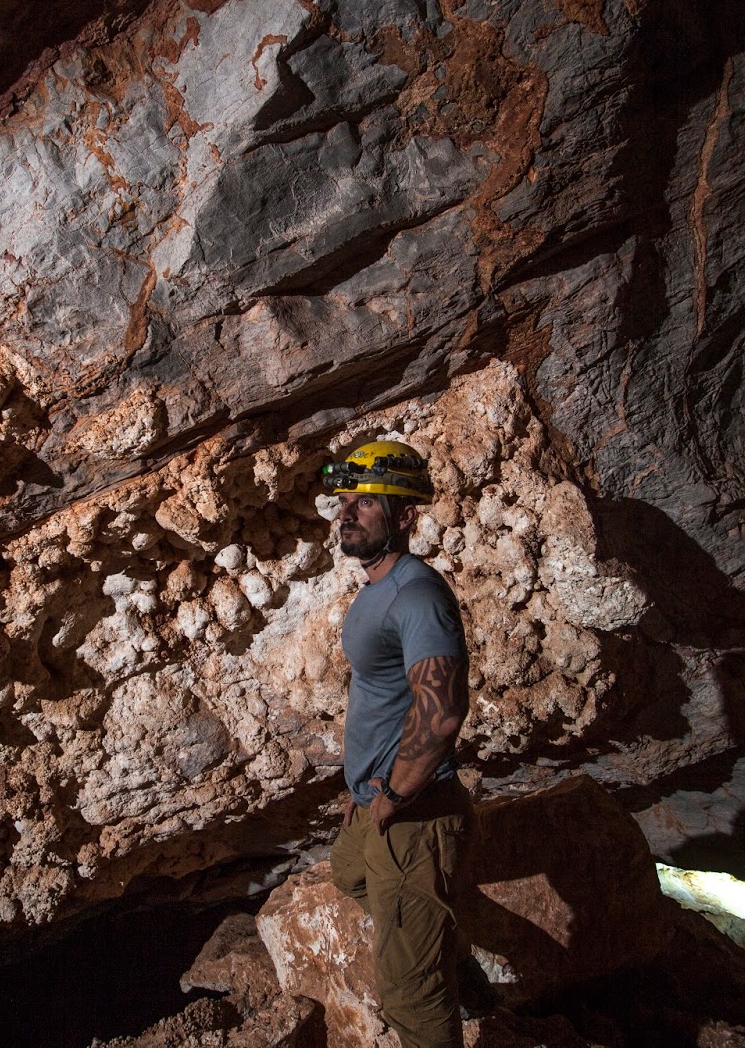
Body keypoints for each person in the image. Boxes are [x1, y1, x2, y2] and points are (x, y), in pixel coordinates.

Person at [322, 439, 475, 1048]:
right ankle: (436, 947)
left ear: (406, 516)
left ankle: (429, 971)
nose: (346, 514)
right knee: (347, 873)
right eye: (344, 502)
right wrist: (364, 790)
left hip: (412, 817)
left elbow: (442, 716)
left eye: (364, 504)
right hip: (377, 801)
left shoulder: (418, 596)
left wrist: (394, 796)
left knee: (408, 993)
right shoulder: (376, 587)